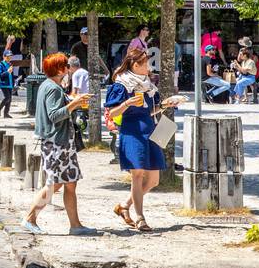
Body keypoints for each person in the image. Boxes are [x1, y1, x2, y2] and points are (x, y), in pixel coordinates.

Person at [22, 53, 95, 235]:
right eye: (66, 66)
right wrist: (74, 103)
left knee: (70, 183)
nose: (68, 69)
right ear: (60, 69)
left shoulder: (48, 86)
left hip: (60, 143)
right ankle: (29, 218)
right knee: (53, 184)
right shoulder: (53, 89)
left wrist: (71, 101)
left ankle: (75, 225)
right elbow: (54, 115)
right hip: (58, 143)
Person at [105, 48, 175, 232]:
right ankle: (140, 218)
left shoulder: (149, 86)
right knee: (137, 175)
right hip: (132, 131)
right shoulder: (122, 85)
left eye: (147, 63)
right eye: (143, 63)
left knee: (153, 180)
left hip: (149, 130)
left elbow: (149, 111)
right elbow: (112, 113)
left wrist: (166, 105)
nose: (147, 67)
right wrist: (126, 103)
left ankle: (124, 206)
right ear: (133, 65)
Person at [0, 49, 16, 117]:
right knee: (7, 97)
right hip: (3, 84)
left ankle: (6, 113)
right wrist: (7, 72)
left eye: (10, 57)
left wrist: (14, 82)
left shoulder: (10, 64)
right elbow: (0, 75)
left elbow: (11, 75)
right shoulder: (1, 65)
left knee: (9, 99)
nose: (9, 58)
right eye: (7, 57)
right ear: (4, 57)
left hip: (10, 84)